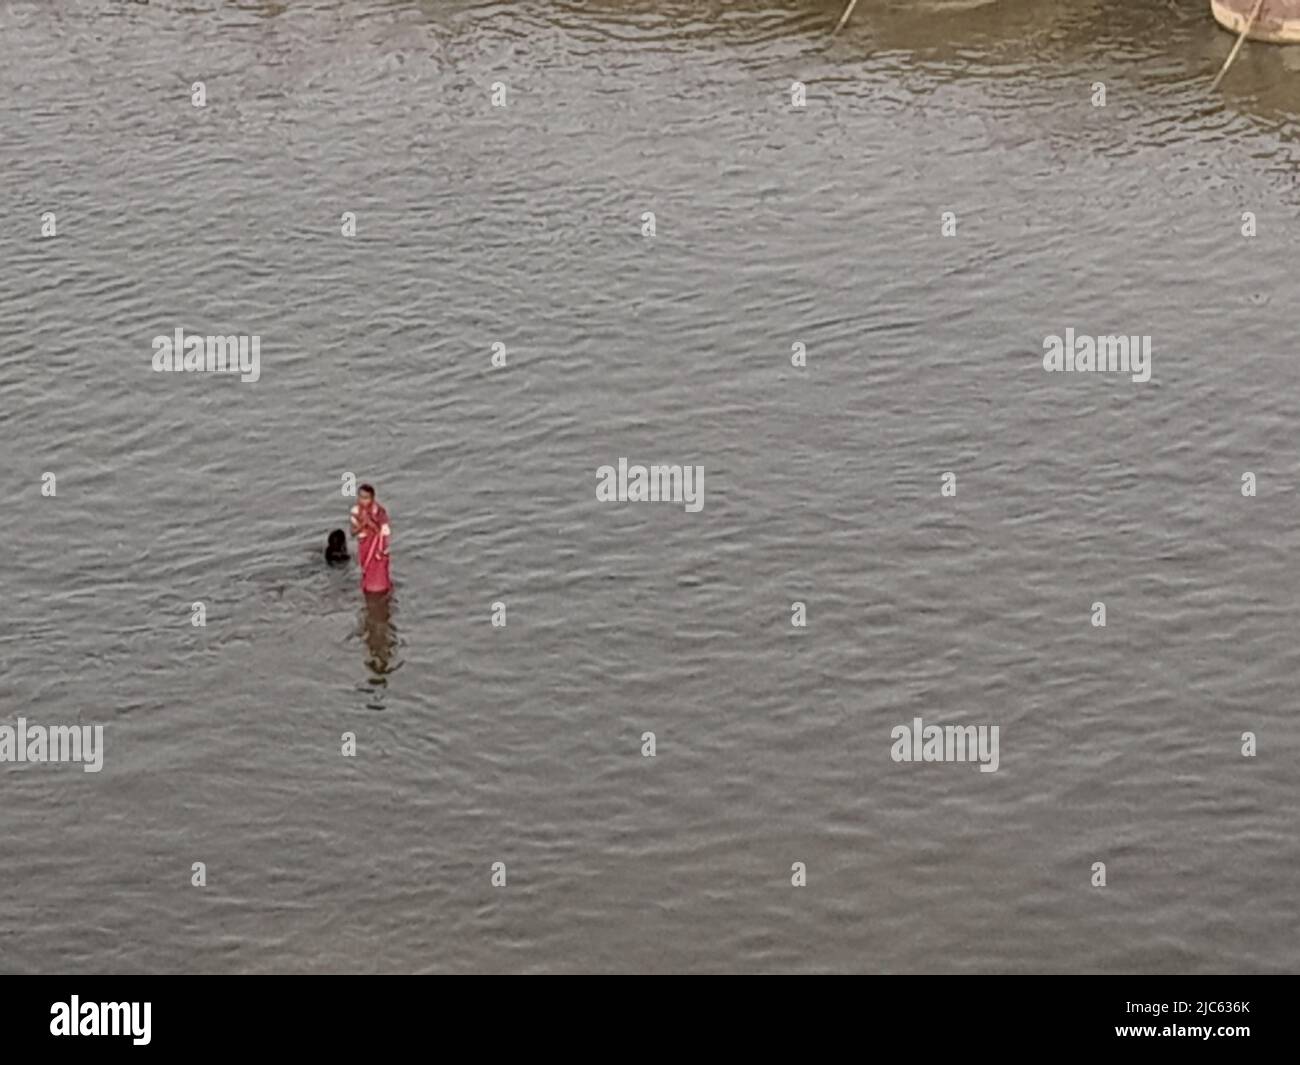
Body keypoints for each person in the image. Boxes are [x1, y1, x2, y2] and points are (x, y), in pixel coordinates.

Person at [350, 484, 392, 594]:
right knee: (366, 568)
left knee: (379, 570)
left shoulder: (379, 512)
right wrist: (363, 524)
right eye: (360, 497)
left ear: (372, 498)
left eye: (366, 498)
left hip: (377, 545)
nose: (362, 501)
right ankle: (368, 585)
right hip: (364, 544)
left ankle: (381, 586)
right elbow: (353, 532)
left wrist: (370, 523)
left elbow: (382, 531)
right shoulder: (355, 511)